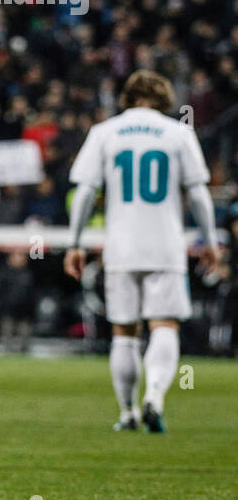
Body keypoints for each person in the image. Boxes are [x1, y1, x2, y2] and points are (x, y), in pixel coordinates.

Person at [64, 70, 218, 432]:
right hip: (165, 245)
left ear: (127, 97)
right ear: (164, 99)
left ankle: (128, 412)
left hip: (121, 246)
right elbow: (198, 193)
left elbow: (85, 192)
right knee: (164, 325)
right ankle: (156, 398)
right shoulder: (179, 133)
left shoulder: (104, 132)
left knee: (124, 332)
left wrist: (74, 243)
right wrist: (209, 241)